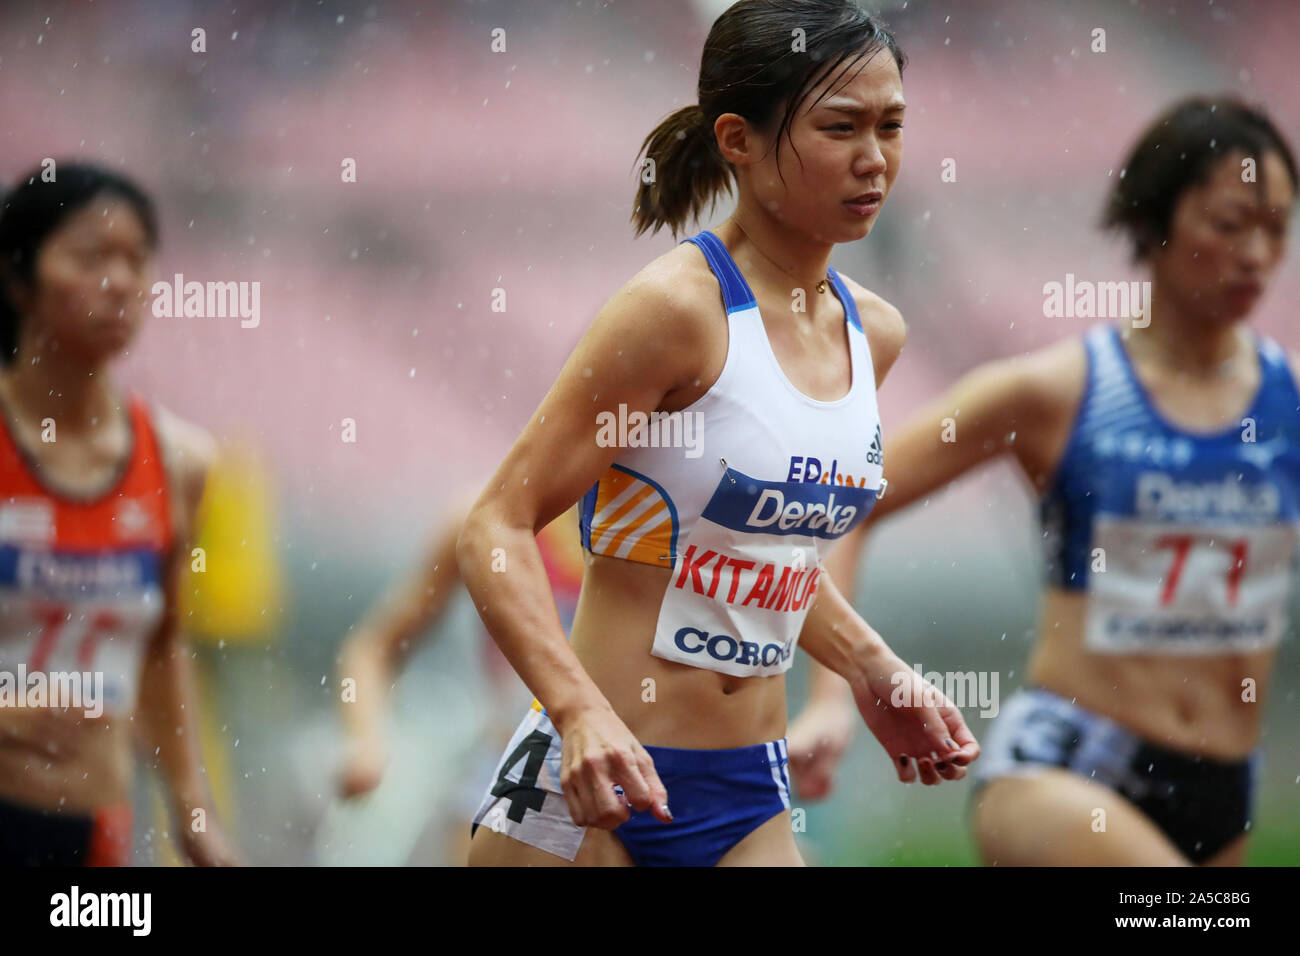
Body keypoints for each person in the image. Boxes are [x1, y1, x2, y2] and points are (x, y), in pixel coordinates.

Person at [457, 0, 979, 868]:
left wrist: (870, 666)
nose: (875, 159)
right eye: (841, 127)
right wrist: (578, 712)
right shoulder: (673, 313)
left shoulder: (873, 333)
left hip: (746, 791)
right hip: (593, 785)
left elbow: (765, 559)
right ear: (738, 140)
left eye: (892, 127)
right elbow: (494, 526)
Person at [820, 96, 1299, 866]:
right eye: (1229, 224)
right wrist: (837, 685)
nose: (1257, 254)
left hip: (1224, 784)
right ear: (1155, 224)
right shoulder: (1056, 391)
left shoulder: (1289, 403)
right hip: (1069, 770)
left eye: (1276, 227)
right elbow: (840, 508)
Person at [0, 162, 238, 866]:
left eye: (137, 260)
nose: (122, 281)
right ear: (19, 279)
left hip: (96, 828)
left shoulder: (180, 460)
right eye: (90, 256)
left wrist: (192, 810)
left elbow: (164, 645)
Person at [333, 497, 583, 863]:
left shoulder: (665, 527)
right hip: (504, 781)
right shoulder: (487, 520)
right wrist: (366, 744)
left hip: (626, 788)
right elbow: (373, 647)